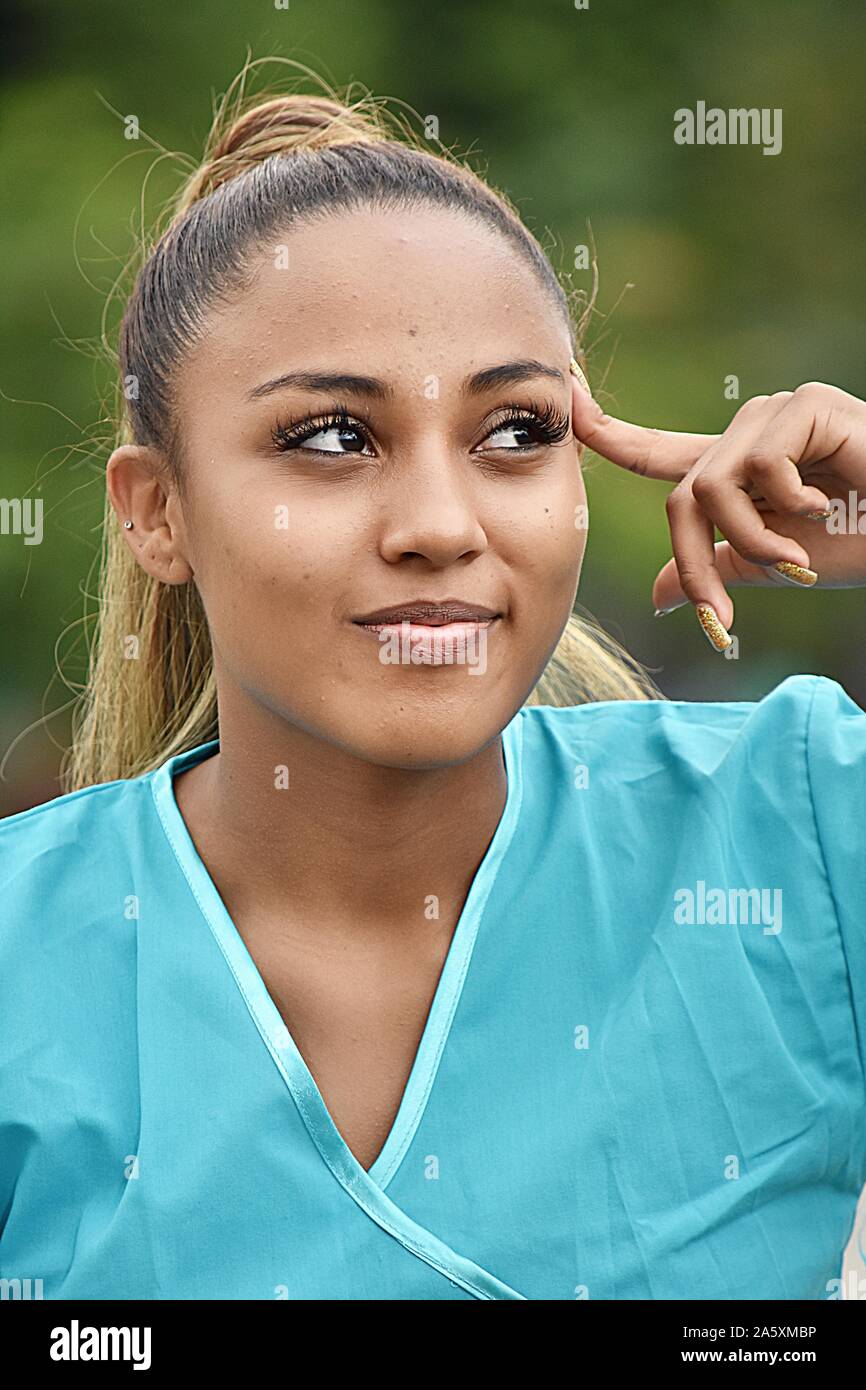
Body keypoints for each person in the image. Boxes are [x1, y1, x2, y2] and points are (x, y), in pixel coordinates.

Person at [1, 64, 865, 1302]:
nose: (438, 524)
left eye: (513, 431)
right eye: (331, 437)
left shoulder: (799, 833)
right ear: (158, 515)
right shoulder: (23, 956)